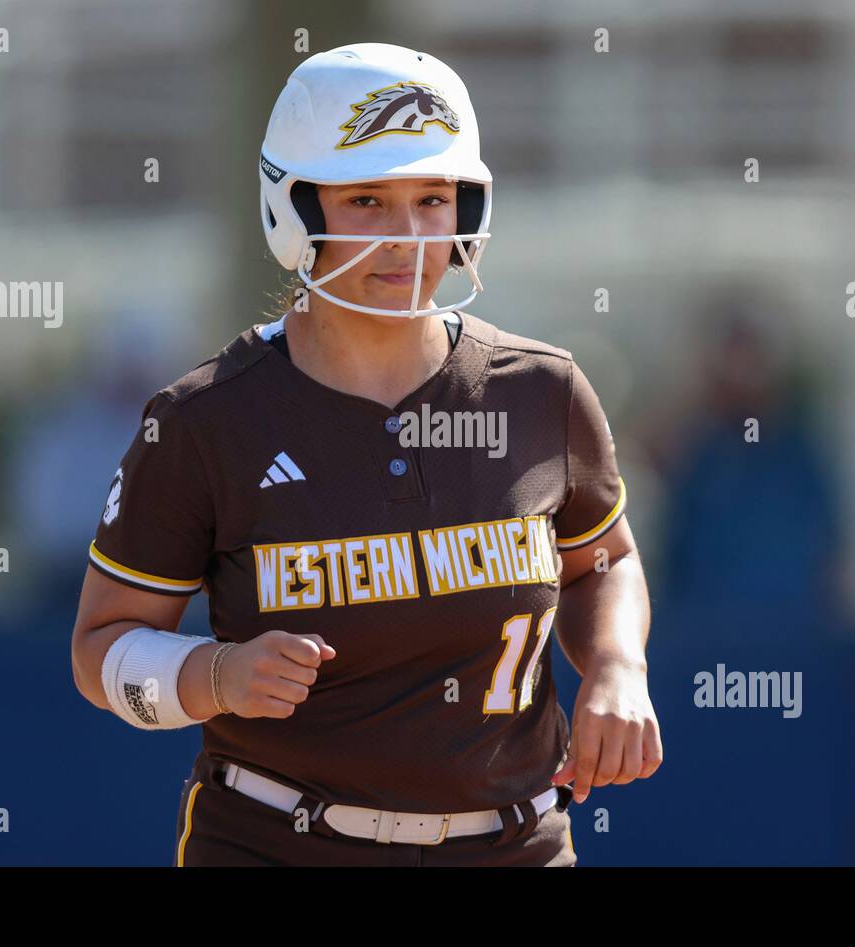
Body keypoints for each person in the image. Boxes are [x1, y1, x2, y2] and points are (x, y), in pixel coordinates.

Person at [70, 42, 659, 867]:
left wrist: (616, 667)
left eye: (431, 198)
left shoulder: (541, 391)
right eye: (367, 201)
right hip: (276, 843)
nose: (409, 236)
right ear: (295, 208)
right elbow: (101, 651)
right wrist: (215, 675)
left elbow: (602, 562)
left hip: (516, 844)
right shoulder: (206, 421)